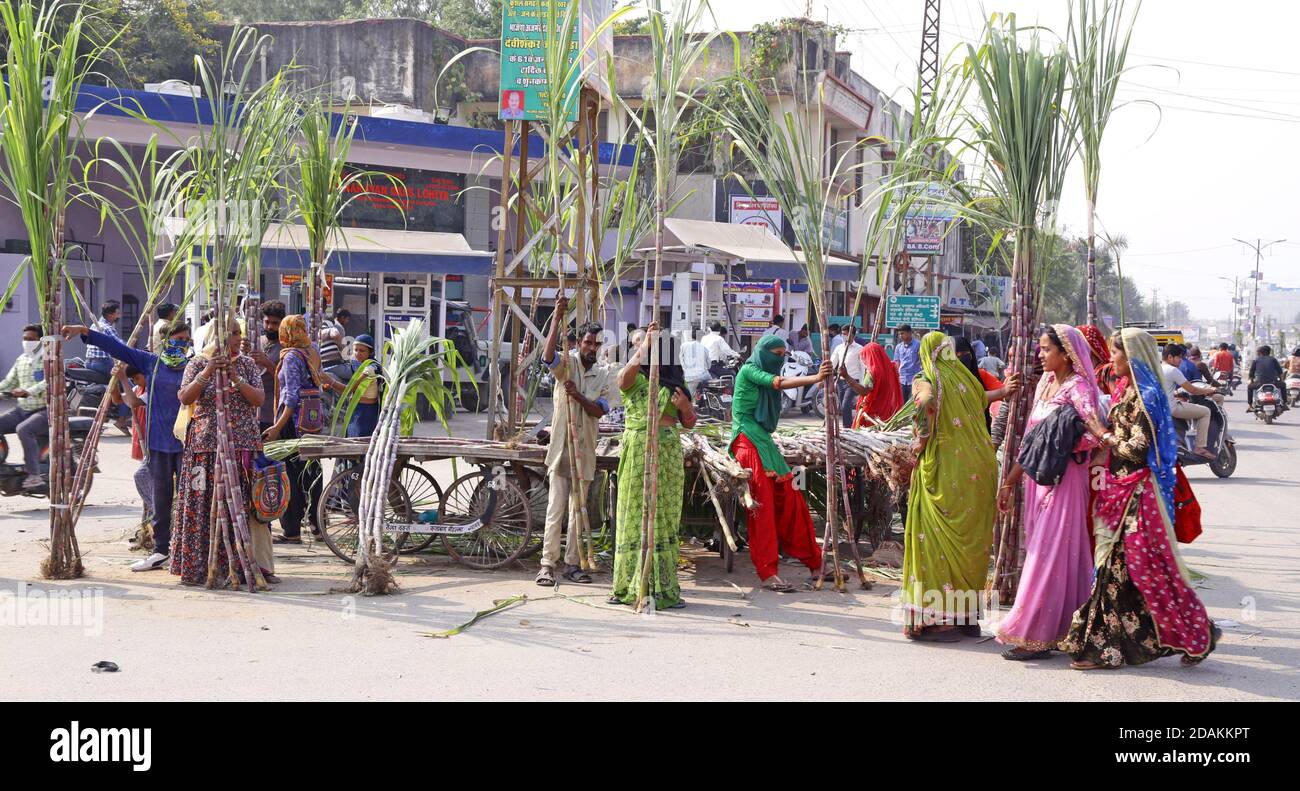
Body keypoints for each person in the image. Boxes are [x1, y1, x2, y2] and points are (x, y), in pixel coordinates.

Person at [1061, 328, 1219, 669]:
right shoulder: (1125, 389)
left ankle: (1103, 648)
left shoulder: (1145, 396)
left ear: (1130, 357)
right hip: (1120, 490)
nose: (1111, 359)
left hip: (1137, 495)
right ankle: (1189, 634)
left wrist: (1104, 435)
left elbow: (1137, 448)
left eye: (1116, 354)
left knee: (1126, 571)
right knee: (1129, 573)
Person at [994, 325, 1102, 659]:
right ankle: (1064, 629)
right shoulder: (1044, 384)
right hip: (1036, 482)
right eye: (1040, 349)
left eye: (1045, 350)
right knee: (1049, 556)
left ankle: (1034, 635)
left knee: (1048, 556)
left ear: (1066, 353)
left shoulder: (1079, 388)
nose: (1040, 355)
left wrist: (1064, 442)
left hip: (1066, 481)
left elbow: (1096, 433)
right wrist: (1010, 481)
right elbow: (1030, 441)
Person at [63, 318, 194, 572]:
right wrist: (83, 331)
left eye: (186, 340)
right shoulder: (151, 363)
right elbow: (117, 348)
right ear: (164, 342)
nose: (182, 344)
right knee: (161, 499)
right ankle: (160, 551)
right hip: (158, 443)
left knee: (190, 498)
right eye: (177, 340)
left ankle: (187, 550)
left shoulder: (192, 365)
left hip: (187, 442)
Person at [901, 332, 1001, 641]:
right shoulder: (968, 380)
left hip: (944, 469)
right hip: (981, 468)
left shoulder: (926, 377)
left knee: (934, 543)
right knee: (971, 542)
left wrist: (918, 444)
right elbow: (984, 401)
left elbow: (925, 401)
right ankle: (968, 617)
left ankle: (941, 622)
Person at [172, 314, 268, 586]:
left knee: (238, 507)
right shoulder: (198, 363)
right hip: (204, 446)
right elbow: (185, 398)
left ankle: (240, 567)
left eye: (239, 332)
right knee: (201, 503)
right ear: (217, 336)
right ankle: (199, 567)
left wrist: (236, 378)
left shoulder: (247, 365)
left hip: (240, 446)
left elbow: (258, 399)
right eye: (233, 333)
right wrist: (208, 372)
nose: (238, 338)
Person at [729, 335, 831, 592]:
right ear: (763, 353)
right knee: (762, 509)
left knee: (793, 502)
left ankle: (815, 563)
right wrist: (815, 378)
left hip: (764, 441)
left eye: (782, 354)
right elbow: (778, 382)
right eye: (775, 353)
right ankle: (767, 572)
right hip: (745, 442)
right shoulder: (750, 370)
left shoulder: (763, 366)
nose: (778, 358)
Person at [609, 324, 696, 609]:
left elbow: (690, 422)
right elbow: (621, 380)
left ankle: (663, 589)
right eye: (638, 346)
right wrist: (645, 346)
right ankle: (628, 587)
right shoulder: (634, 379)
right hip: (636, 450)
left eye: (648, 346)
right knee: (632, 514)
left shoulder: (675, 385)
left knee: (663, 518)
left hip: (667, 452)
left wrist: (684, 407)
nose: (640, 349)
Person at [536, 297, 612, 586]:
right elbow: (547, 358)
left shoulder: (605, 374)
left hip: (585, 452)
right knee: (555, 510)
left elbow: (599, 410)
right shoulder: (567, 364)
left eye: (597, 344)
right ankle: (546, 564)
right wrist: (556, 317)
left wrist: (577, 395)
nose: (592, 348)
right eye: (588, 343)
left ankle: (571, 564)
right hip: (561, 451)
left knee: (578, 515)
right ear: (579, 342)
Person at [263, 315, 325, 544]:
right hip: (312, 420)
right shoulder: (312, 349)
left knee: (290, 474)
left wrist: (278, 426)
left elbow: (290, 395)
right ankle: (318, 526)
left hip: (292, 422)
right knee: (312, 471)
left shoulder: (290, 357)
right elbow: (321, 379)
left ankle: (292, 531)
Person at [0, 325, 49, 490]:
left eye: (31, 339)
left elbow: (49, 382)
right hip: (22, 410)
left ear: (40, 340)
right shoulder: (21, 359)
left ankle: (34, 475)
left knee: (24, 430)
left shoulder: (49, 358)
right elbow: (8, 382)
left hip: (45, 410)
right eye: (25, 339)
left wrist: (28, 391)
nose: (27, 342)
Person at [1161, 345, 1217, 457]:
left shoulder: (1158, 368)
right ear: (1170, 357)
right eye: (1179, 357)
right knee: (1205, 411)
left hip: (1162, 407)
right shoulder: (1173, 370)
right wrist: (1209, 390)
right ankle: (1199, 447)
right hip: (1172, 408)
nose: (1181, 360)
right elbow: (1192, 389)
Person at [322, 334, 381, 437]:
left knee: (360, 442)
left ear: (370, 352)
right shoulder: (357, 365)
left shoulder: (371, 368)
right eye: (355, 350)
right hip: (356, 409)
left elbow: (349, 390)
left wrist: (329, 380)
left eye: (362, 351)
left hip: (365, 412)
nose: (357, 353)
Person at [87, 299, 130, 431]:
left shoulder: (95, 325)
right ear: (111, 315)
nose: (119, 316)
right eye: (117, 313)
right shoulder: (107, 328)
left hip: (90, 362)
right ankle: (122, 420)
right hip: (103, 362)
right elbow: (120, 345)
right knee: (128, 386)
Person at [852, 342, 903, 427]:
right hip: (887, 411)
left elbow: (864, 391)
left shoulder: (872, 372)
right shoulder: (891, 368)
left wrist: (847, 377)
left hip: (872, 415)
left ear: (870, 356)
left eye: (865, 357)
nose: (864, 360)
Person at [830, 330, 866, 427]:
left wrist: (862, 383)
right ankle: (848, 425)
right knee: (843, 406)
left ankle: (848, 428)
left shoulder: (859, 348)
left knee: (846, 405)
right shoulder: (839, 348)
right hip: (841, 381)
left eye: (846, 334)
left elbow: (863, 367)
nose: (844, 336)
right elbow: (833, 363)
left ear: (853, 335)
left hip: (853, 381)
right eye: (842, 334)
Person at [1078, 324, 1121, 397]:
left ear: (1090, 347)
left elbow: (1116, 400)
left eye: (1079, 344)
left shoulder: (1107, 370)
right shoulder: (1081, 372)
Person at [1247, 345, 1284, 413]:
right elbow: (1280, 372)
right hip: (1273, 383)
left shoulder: (1256, 360)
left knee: (1249, 387)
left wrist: (1251, 380)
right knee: (1283, 385)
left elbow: (1251, 373)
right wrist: (1281, 380)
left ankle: (1250, 406)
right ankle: (1284, 404)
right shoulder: (1273, 359)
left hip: (1260, 383)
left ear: (1260, 352)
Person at [893, 324, 922, 403]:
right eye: (899, 334)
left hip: (914, 379)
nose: (900, 336)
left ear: (909, 333)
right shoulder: (898, 347)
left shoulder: (918, 345)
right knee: (902, 404)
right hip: (902, 380)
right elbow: (897, 362)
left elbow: (922, 360)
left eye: (902, 333)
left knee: (914, 404)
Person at [679, 331, 711, 398]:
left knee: (689, 398)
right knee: (711, 388)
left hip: (690, 378)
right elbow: (709, 365)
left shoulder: (683, 346)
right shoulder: (704, 347)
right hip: (704, 376)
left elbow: (681, 361)